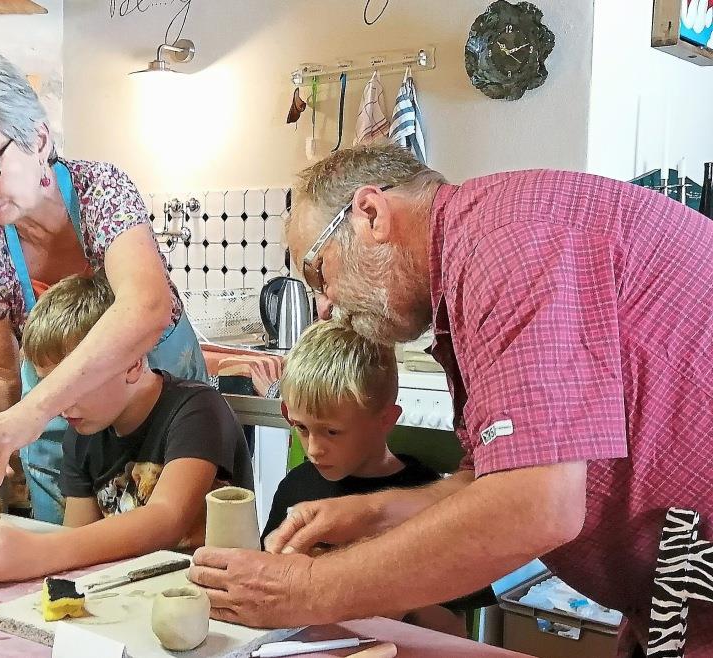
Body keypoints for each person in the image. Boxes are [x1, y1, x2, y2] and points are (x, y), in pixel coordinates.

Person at [188, 144, 713, 655]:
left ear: (370, 214)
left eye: (319, 273)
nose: (325, 308)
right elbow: (500, 479)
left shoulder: (505, 246)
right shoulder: (483, 245)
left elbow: (538, 505)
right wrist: (375, 513)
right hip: (674, 598)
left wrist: (302, 590)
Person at [0, 49, 207, 523]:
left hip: (168, 429)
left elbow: (146, 307)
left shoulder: (100, 191)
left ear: (38, 139)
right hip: (63, 447)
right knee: (63, 579)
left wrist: (30, 413)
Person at [0, 272, 252, 581]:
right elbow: (79, 536)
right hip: (127, 590)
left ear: (133, 364)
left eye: (76, 384)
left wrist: (40, 552)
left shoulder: (197, 410)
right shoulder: (81, 432)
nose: (61, 403)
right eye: (51, 387)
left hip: (205, 594)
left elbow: (166, 519)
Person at [264, 319, 475, 637]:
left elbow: (456, 629)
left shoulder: (427, 497)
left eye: (332, 431)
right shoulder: (296, 488)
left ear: (386, 420)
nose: (314, 449)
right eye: (302, 427)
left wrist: (387, 596)